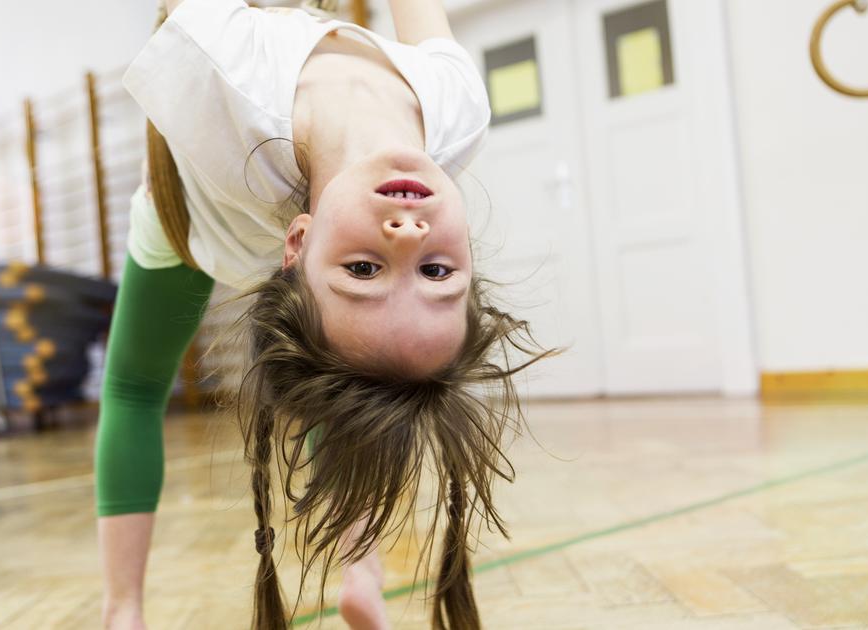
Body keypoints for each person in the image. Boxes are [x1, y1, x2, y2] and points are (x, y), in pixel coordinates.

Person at [95, 1, 550, 628]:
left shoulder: (229, 71)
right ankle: (361, 569)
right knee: (356, 367)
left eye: (365, 270)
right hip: (288, 196)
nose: (407, 233)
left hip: (188, 219)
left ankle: (122, 610)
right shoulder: (459, 112)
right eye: (436, 273)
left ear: (299, 244)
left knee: (132, 388)